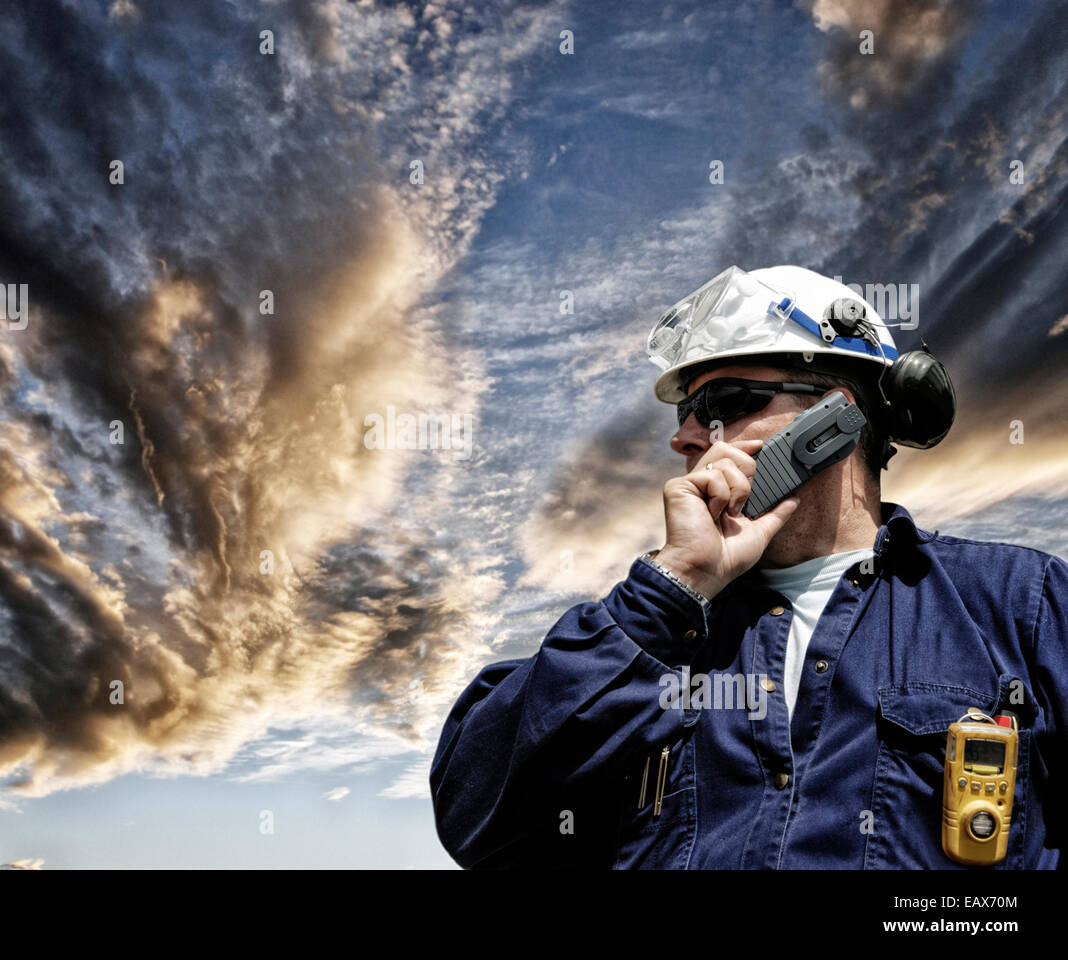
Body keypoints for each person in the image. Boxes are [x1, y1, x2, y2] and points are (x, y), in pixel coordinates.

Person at [429, 265, 1066, 869]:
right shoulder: (647, 641)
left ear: (834, 418)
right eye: (685, 415)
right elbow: (473, 819)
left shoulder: (1022, 605)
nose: (684, 437)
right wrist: (671, 594)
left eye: (724, 401)